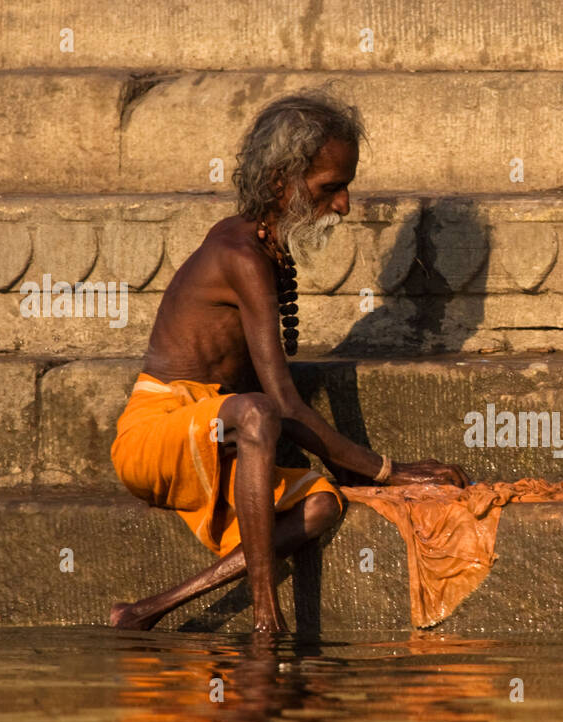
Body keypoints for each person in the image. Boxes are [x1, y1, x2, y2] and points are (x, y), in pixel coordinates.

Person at [109, 88, 469, 634]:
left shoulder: (266, 250)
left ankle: (146, 610)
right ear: (282, 183)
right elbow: (277, 403)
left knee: (322, 506)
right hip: (155, 434)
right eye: (331, 188)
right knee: (255, 412)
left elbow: (268, 394)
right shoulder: (240, 255)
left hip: (215, 433)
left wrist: (357, 473)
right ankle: (265, 618)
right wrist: (386, 472)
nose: (345, 205)